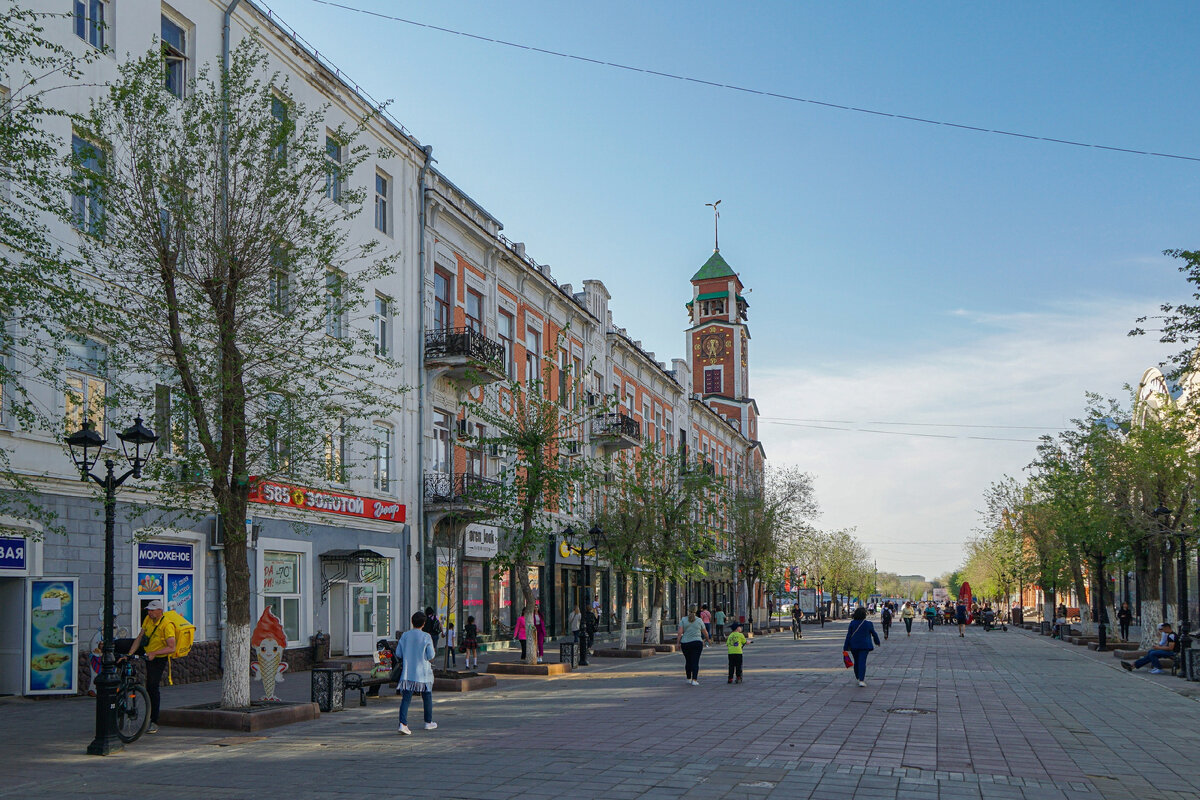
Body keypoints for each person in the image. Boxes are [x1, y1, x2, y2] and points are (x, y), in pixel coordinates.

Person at [125, 599, 177, 735]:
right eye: (148, 610)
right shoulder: (148, 619)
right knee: (119, 644)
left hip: (158, 658)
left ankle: (154, 721)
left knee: (152, 687)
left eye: (152, 610)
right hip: (147, 650)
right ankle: (118, 680)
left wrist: (154, 653)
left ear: (160, 611)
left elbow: (172, 647)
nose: (149, 612)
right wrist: (129, 654)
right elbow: (140, 637)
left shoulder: (167, 625)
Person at [396, 610, 437, 735]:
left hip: (408, 673)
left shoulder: (405, 636)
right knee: (427, 696)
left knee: (406, 698)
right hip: (423, 673)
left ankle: (403, 724)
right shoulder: (426, 636)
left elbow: (398, 653)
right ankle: (428, 722)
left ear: (412, 622)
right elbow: (431, 655)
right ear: (423, 624)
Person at [843, 606, 881, 687]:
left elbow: (848, 635)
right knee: (862, 662)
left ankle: (858, 677)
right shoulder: (868, 624)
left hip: (854, 646)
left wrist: (845, 647)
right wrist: (877, 642)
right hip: (865, 646)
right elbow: (874, 634)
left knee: (856, 661)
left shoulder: (852, 623)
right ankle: (861, 679)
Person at [677, 606, 710, 685]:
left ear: (688, 610)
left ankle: (688, 678)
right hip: (697, 643)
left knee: (688, 661)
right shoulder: (699, 620)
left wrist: (678, 643)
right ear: (696, 610)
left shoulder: (683, 620)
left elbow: (679, 633)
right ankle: (694, 680)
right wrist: (708, 639)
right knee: (695, 661)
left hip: (685, 643)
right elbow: (705, 632)